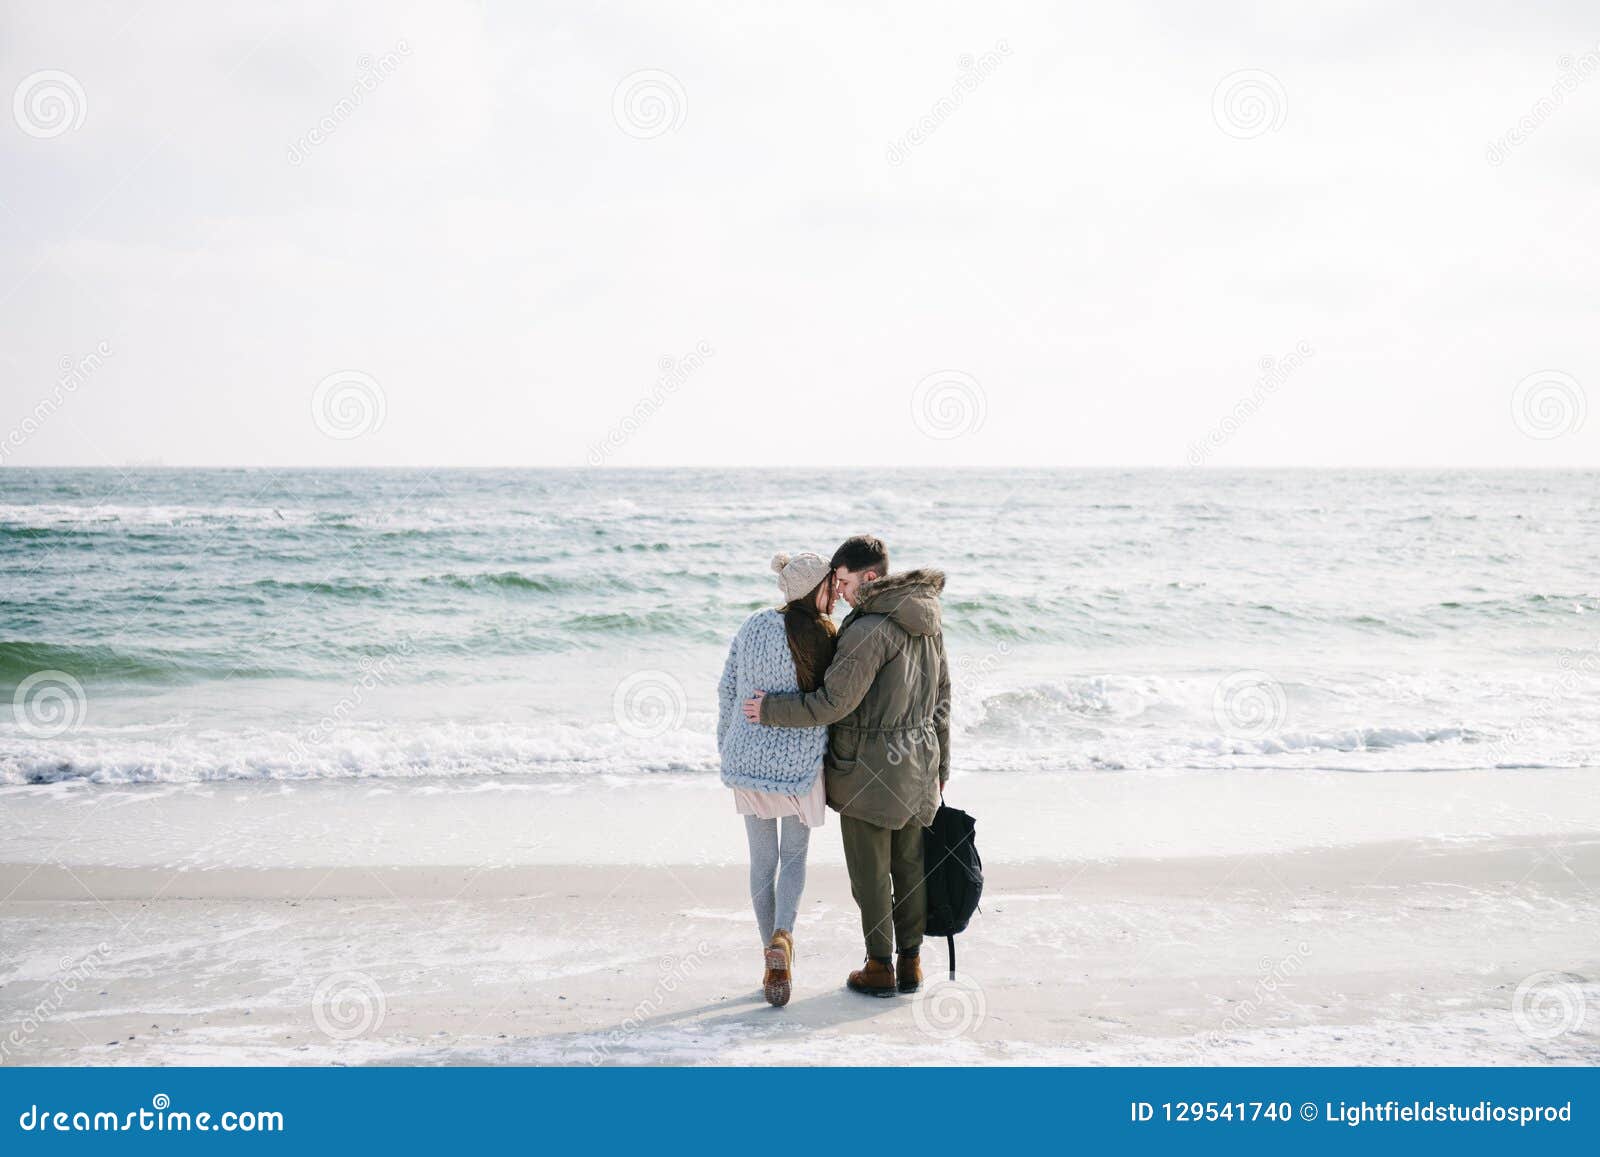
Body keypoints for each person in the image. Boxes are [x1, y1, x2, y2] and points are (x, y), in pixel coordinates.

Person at [743, 535, 950, 997]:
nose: (839, 591)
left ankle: (879, 967)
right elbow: (943, 698)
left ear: (870, 578)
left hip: (868, 768)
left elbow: (833, 702)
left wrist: (770, 710)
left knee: (870, 871)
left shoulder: (867, 630)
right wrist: (943, 763)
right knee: (911, 864)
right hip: (920, 763)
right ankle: (911, 963)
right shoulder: (928, 619)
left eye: (844, 580)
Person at [717, 551, 838, 1007]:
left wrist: (727, 743)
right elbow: (832, 701)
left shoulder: (752, 627)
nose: (836, 596)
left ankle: (769, 951)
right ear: (813, 589)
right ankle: (784, 938)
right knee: (793, 860)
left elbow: (728, 690)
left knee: (761, 864)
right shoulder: (826, 634)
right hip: (802, 769)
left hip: (748, 763)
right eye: (830, 586)